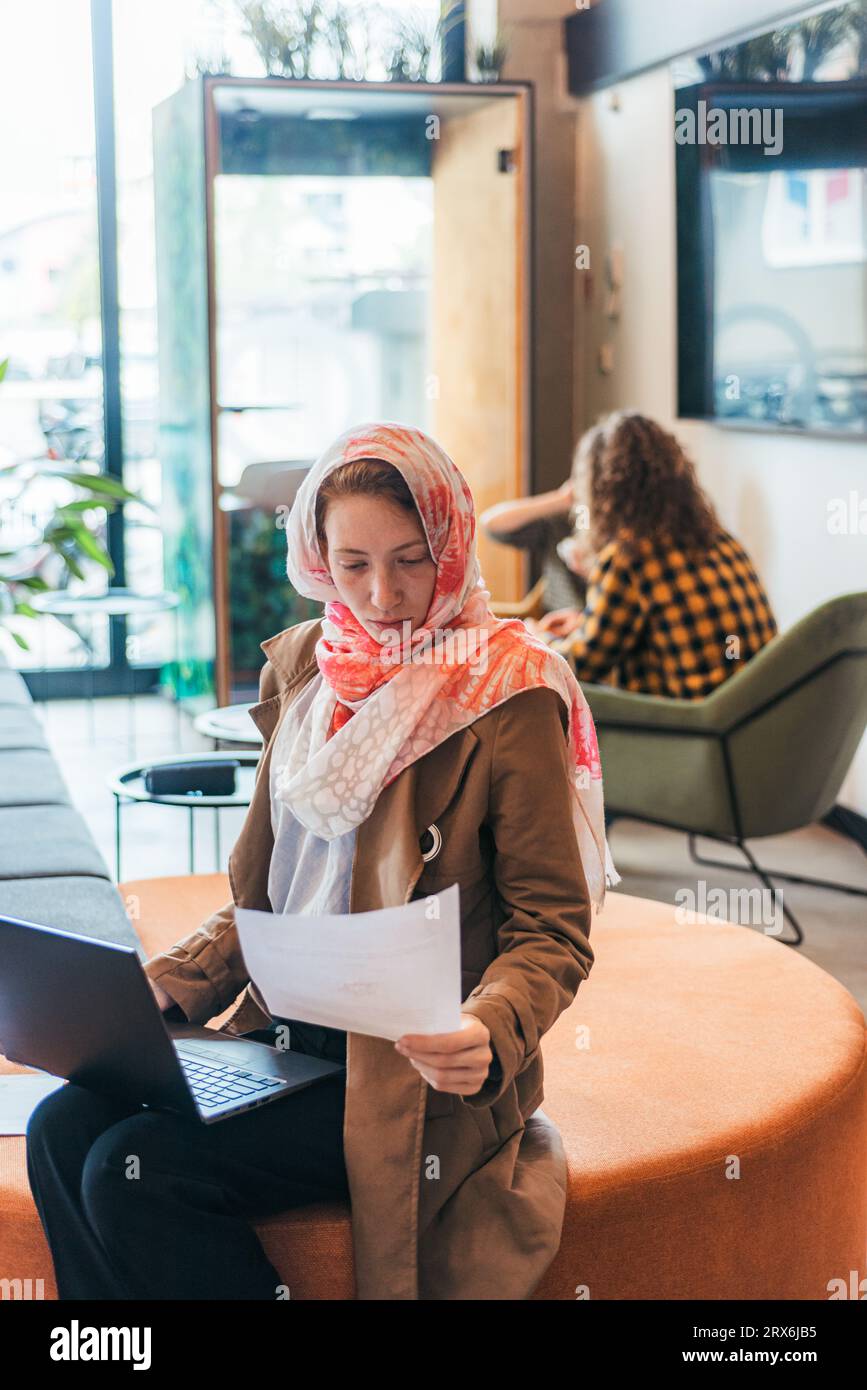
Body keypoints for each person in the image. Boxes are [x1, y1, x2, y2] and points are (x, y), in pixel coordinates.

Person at [26, 420, 617, 1302]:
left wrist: (487, 1029)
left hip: (416, 1069)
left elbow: (551, 932)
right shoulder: (309, 664)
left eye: (412, 559)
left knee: (132, 1167)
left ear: (451, 543)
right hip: (286, 1034)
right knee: (61, 1127)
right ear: (317, 556)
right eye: (353, 564)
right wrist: (173, 982)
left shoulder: (510, 690)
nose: (383, 594)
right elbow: (271, 895)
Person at [533, 411, 778, 698]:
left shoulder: (628, 557)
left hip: (682, 729)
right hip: (752, 721)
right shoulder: (720, 539)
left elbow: (579, 667)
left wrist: (539, 639)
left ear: (602, 492)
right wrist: (584, 622)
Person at [479, 467, 588, 615]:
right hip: (551, 621)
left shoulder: (620, 536)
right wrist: (561, 499)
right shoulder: (558, 523)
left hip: (593, 626)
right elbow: (491, 525)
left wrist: (591, 568)